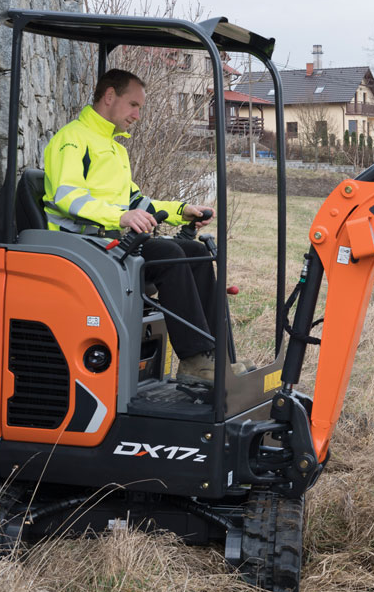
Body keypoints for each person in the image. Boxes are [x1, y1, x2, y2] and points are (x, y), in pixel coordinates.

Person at [42, 68, 236, 381]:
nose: (137, 115)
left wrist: (183, 211)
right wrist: (119, 217)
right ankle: (194, 361)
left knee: (195, 252)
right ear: (109, 96)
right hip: (82, 248)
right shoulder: (72, 140)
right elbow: (68, 197)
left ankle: (216, 358)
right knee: (170, 255)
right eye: (133, 105)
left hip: (111, 245)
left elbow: (137, 203)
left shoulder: (115, 149)